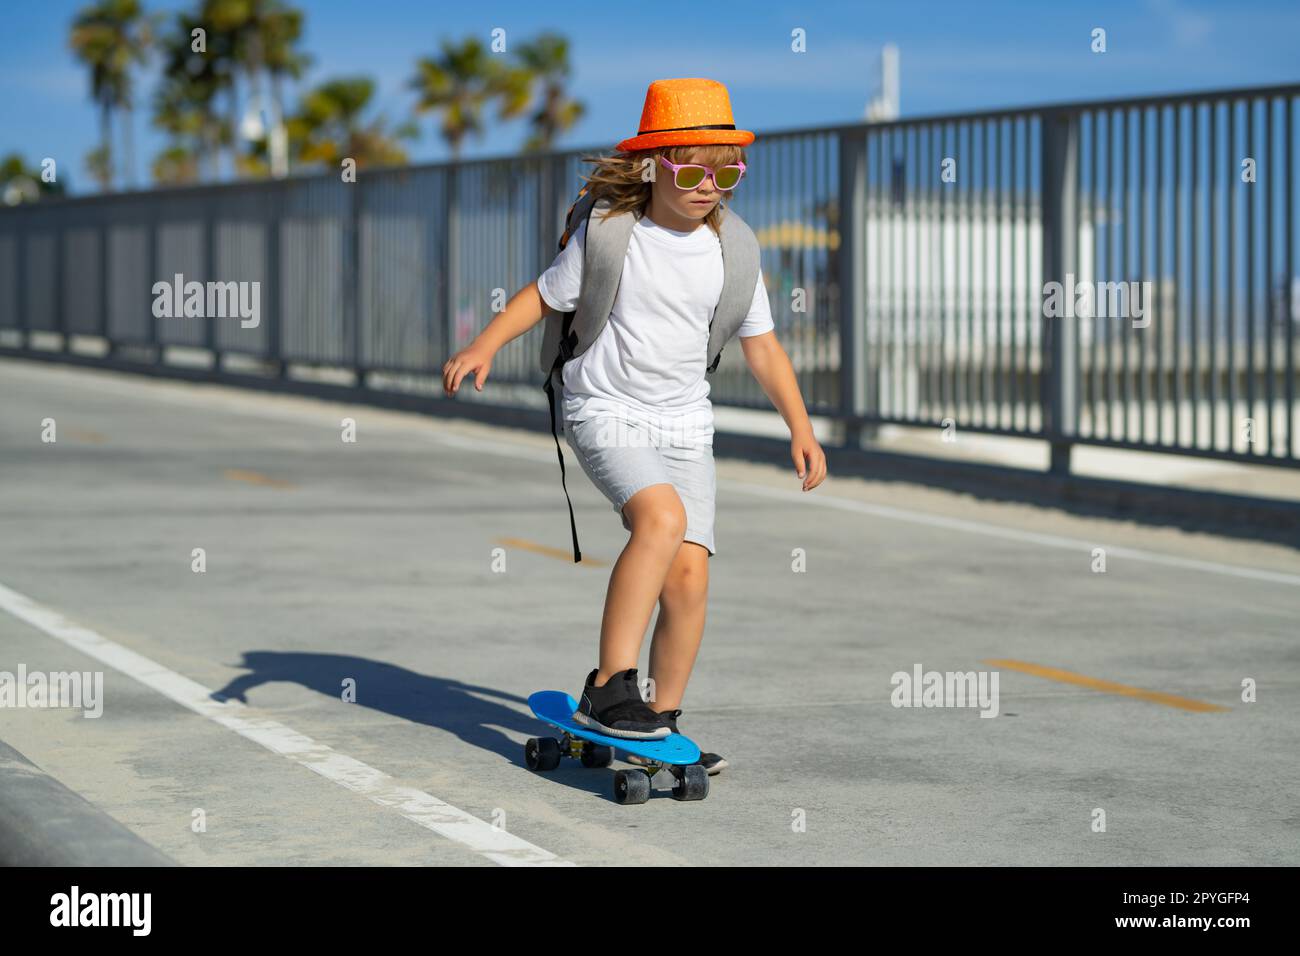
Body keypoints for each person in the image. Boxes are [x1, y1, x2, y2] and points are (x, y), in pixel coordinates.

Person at [443, 78, 827, 774]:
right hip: (604, 408)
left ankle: (659, 720)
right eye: (692, 168)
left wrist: (800, 426)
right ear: (653, 167)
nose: (710, 184)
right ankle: (608, 689)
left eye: (727, 169)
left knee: (689, 575)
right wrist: (484, 345)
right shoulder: (612, 233)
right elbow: (540, 295)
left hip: (685, 423)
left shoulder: (734, 250)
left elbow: (762, 345)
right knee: (660, 519)